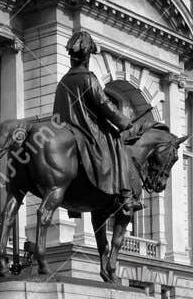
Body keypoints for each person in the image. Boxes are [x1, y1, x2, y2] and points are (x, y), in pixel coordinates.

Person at [52, 29, 138, 219]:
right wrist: (125, 123)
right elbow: (104, 105)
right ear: (87, 56)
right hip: (85, 130)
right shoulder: (88, 78)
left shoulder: (63, 82)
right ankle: (125, 194)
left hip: (65, 128)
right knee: (116, 141)